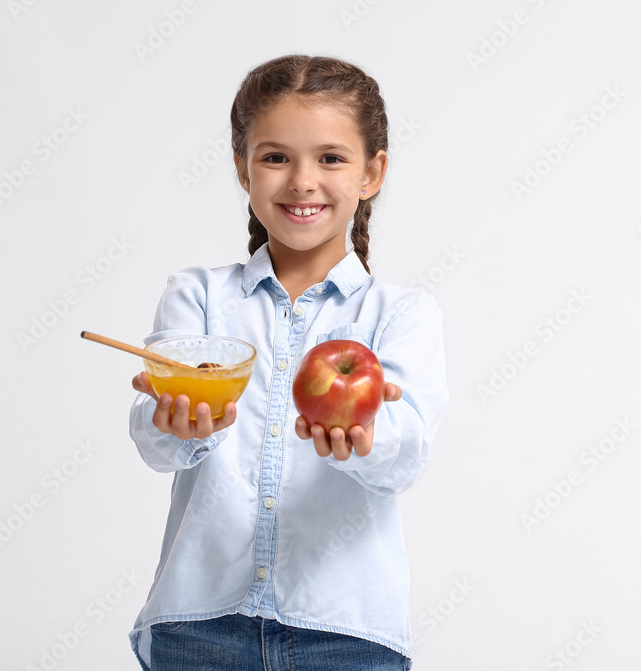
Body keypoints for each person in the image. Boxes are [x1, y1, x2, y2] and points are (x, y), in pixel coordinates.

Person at [128, 54, 448, 671]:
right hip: (199, 626)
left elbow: (405, 457)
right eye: (275, 157)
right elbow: (153, 437)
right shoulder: (198, 297)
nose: (302, 181)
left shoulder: (401, 314)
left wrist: (365, 437)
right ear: (244, 171)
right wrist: (172, 423)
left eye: (330, 158)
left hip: (346, 631)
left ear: (372, 172)